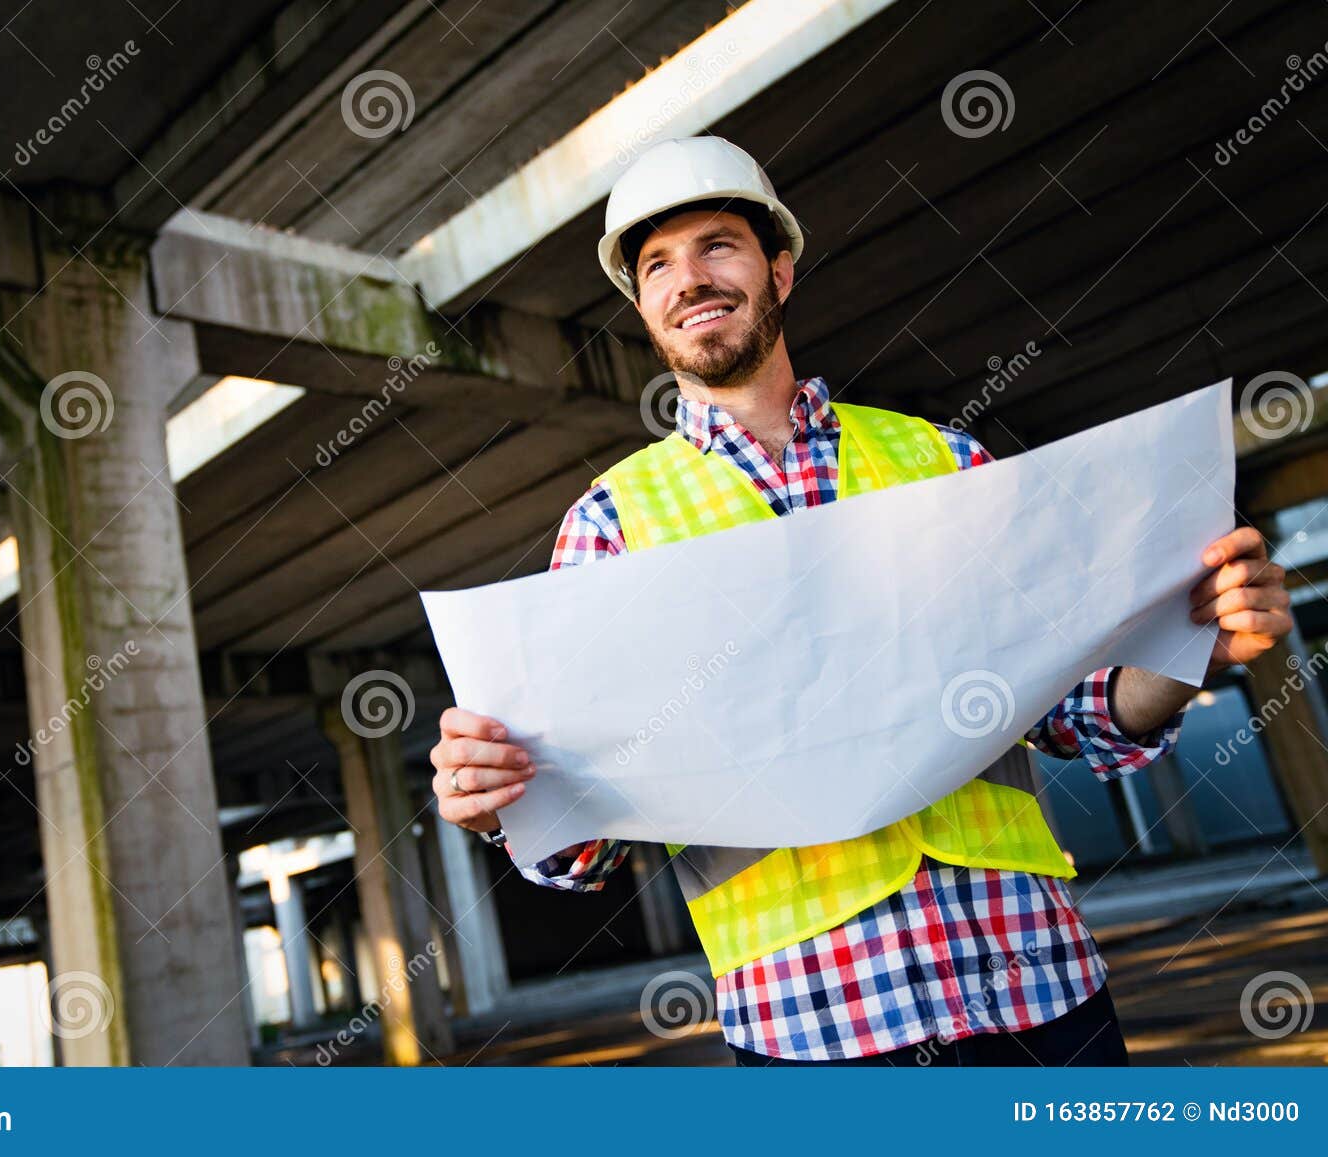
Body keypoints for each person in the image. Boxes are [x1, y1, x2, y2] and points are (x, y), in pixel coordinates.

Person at [428, 136, 1293, 1066]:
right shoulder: (610, 533)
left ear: (781, 272)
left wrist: (1191, 648)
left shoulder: (940, 464)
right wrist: (498, 801)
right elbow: (582, 847)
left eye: (718, 244)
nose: (690, 279)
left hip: (1037, 988)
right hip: (815, 1026)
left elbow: (1073, 709)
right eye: (657, 265)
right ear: (643, 306)